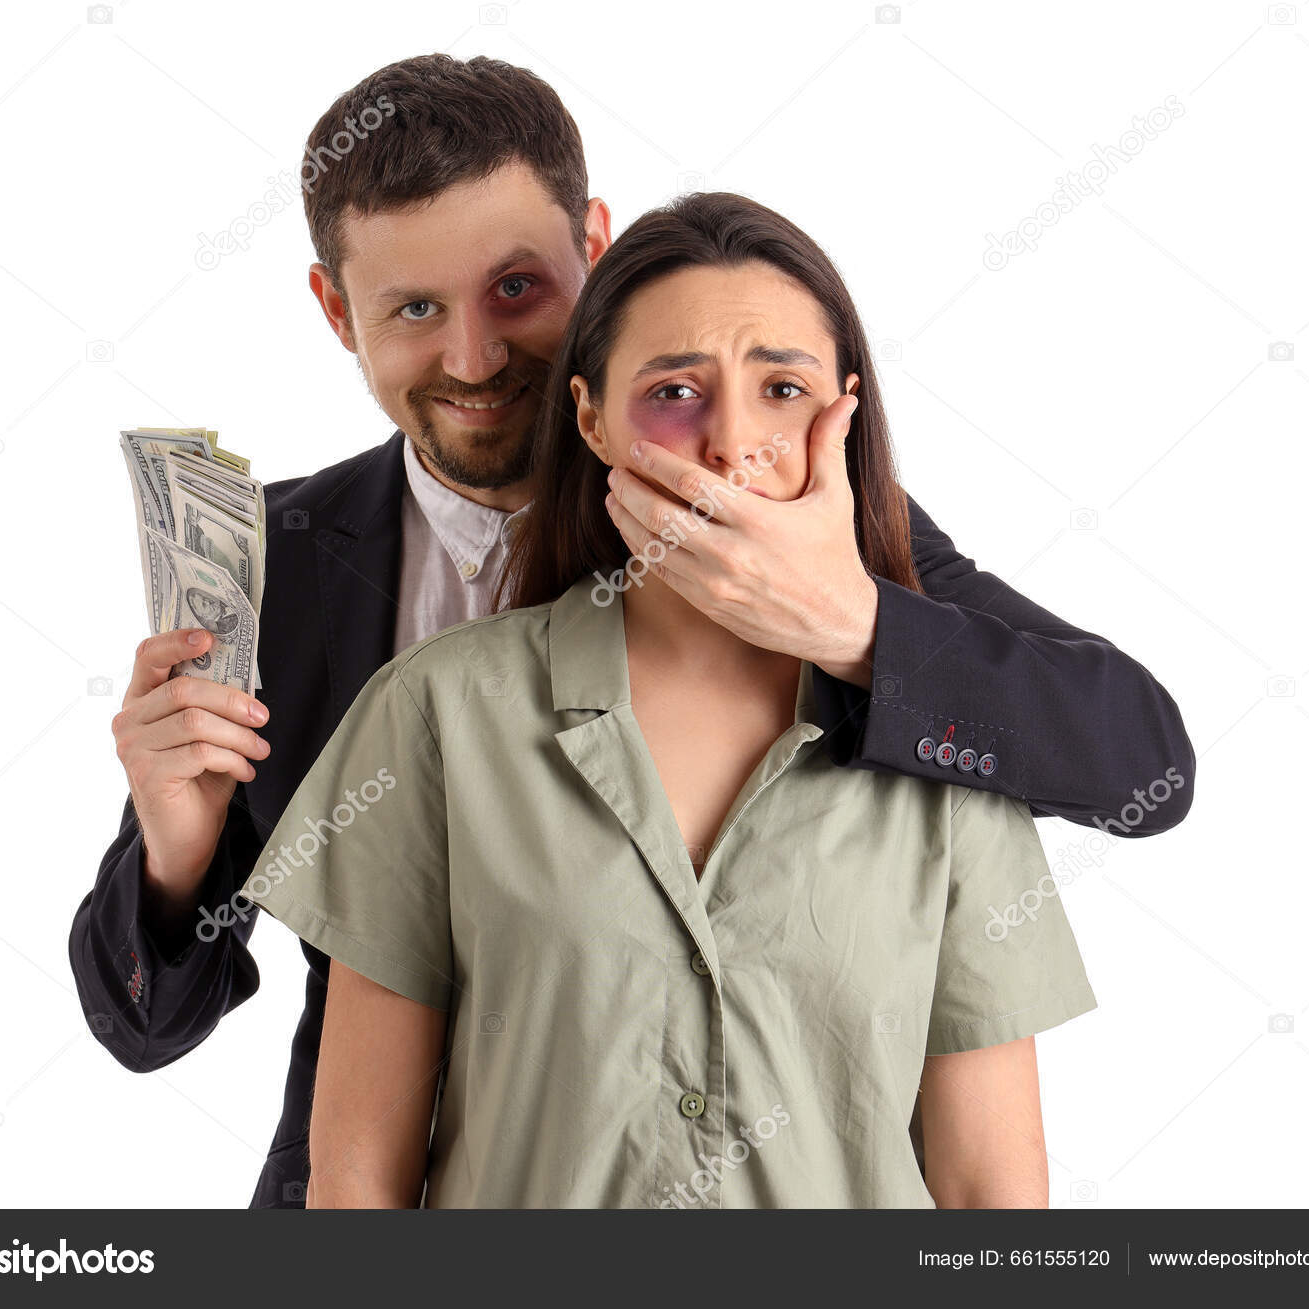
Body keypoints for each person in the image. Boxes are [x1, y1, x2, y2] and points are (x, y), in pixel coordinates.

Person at [70, 54, 1190, 1208]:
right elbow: (143, 1028)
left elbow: (1141, 768)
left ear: (593, 249)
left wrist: (854, 624)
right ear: (335, 311)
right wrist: (177, 855)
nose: (473, 358)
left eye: (515, 288)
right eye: (414, 309)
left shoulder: (802, 512)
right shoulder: (275, 568)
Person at [242, 191, 1097, 1207]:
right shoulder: (433, 714)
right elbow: (356, 1179)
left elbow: (990, 1189)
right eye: (676, 391)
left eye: (782, 388)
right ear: (590, 417)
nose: (734, 442)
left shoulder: (951, 739)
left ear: (844, 415)